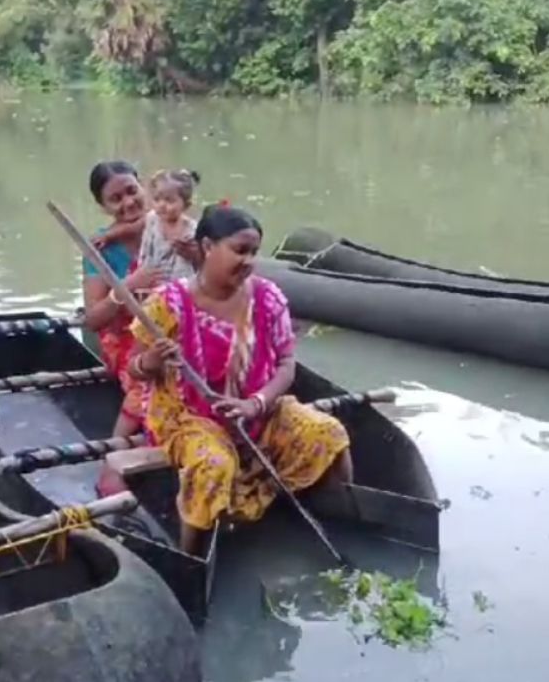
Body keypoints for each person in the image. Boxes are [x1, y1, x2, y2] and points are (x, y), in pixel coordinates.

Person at [127, 203, 353, 555]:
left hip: (260, 407)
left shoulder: (267, 297)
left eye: (254, 252)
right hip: (191, 416)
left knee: (330, 433)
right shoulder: (168, 304)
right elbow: (133, 368)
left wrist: (255, 403)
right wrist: (152, 360)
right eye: (239, 250)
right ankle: (193, 557)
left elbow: (286, 365)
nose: (248, 261)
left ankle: (340, 522)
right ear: (206, 247)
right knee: (213, 466)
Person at [81, 160, 164, 438]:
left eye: (132, 191)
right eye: (115, 199)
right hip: (128, 340)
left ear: (143, 187)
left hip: (173, 331)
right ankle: (119, 452)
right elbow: (92, 319)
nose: (128, 202)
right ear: (103, 207)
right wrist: (127, 287)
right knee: (158, 380)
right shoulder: (99, 250)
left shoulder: (168, 224)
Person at [138, 169, 202, 280]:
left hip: (181, 284)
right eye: (157, 199)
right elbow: (145, 251)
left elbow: (199, 263)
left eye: (169, 201)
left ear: (186, 205)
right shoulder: (152, 220)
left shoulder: (192, 229)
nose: (161, 205)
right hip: (152, 282)